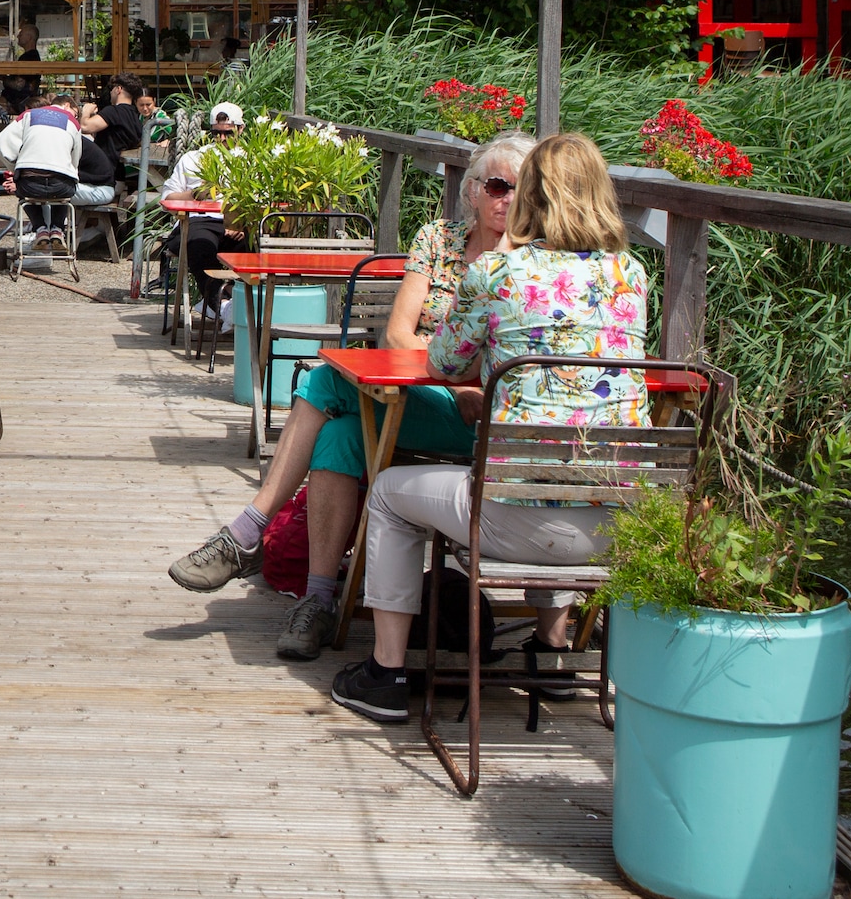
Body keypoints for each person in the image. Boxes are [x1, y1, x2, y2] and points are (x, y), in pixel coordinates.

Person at [166, 132, 538, 661]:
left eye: (521, 188)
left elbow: (504, 350)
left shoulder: (537, 260)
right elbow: (395, 336)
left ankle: (249, 532)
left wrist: (448, 363)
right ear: (473, 190)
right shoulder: (439, 239)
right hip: (435, 402)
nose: (508, 198)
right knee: (339, 434)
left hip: (498, 420)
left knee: (324, 383)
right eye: (498, 185)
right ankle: (317, 599)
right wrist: (458, 374)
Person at [330, 132, 653, 722]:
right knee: (568, 456)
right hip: (617, 526)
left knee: (387, 495)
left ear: (530, 195)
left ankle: (385, 671)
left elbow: (441, 363)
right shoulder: (631, 276)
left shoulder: (500, 271)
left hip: (512, 521)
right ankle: (551, 655)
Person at [161, 101, 247, 320]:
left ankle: (238, 302)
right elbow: (168, 197)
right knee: (200, 243)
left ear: (241, 129)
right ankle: (219, 301)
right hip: (200, 221)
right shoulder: (194, 158)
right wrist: (196, 194)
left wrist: (240, 224)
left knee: (259, 244)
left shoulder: (249, 160)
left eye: (228, 133)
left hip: (239, 223)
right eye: (216, 133)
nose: (222, 139)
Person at [0, 97, 105, 240]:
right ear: (66, 105)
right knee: (65, 184)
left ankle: (40, 228)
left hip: (30, 184)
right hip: (61, 186)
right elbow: (75, 160)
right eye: (75, 112)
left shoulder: (29, 114)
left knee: (21, 187)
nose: (75, 116)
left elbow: (1, 142)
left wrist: (15, 167)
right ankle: (57, 229)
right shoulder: (73, 123)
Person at [77, 74, 146, 184]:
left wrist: (86, 111)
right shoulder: (134, 116)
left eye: (112, 88)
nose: (110, 92)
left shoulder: (113, 111)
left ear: (118, 89)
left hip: (101, 177)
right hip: (119, 176)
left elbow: (85, 127)